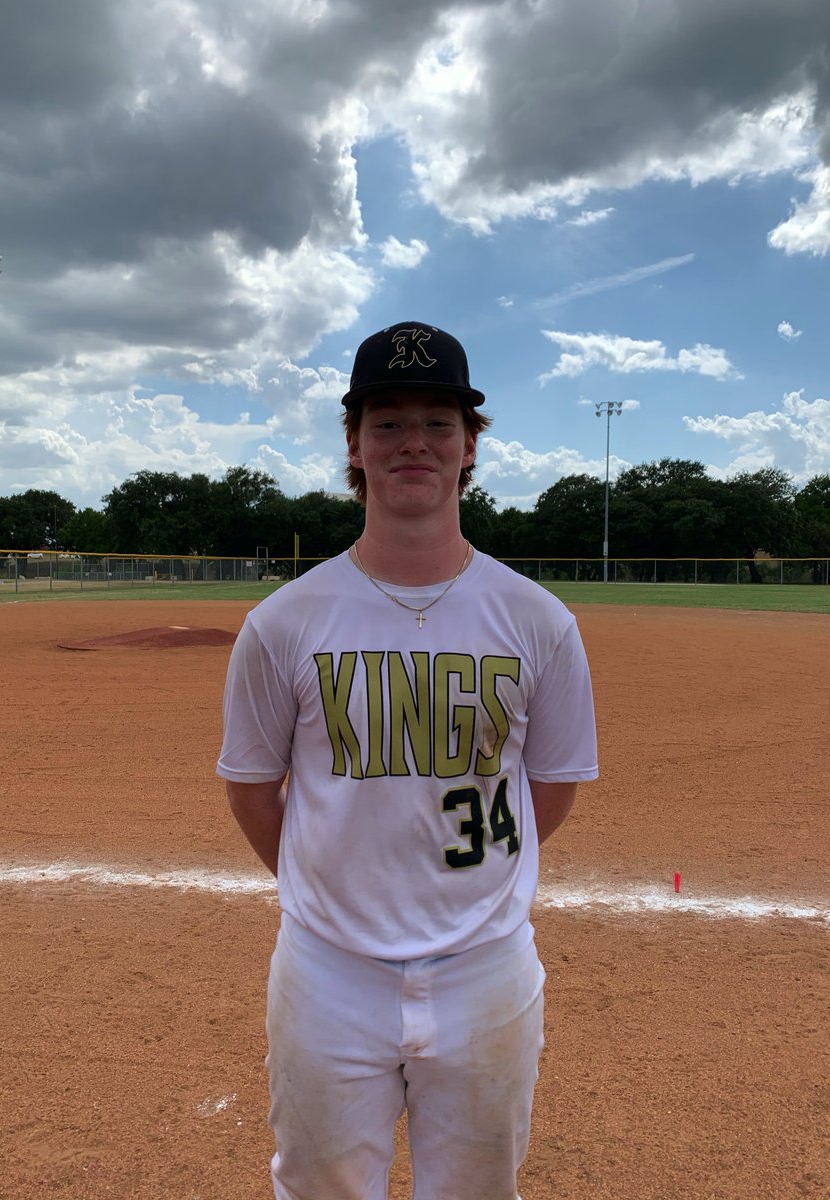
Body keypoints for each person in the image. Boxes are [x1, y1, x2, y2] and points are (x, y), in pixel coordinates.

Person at [217, 320, 598, 1200]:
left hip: (486, 967)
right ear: (354, 445)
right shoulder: (285, 621)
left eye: (438, 422)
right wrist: (336, 888)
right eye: (387, 422)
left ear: (470, 446)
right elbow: (252, 788)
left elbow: (549, 788)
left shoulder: (538, 621)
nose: (413, 442)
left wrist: (466, 888)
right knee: (320, 1189)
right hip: (327, 969)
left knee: (477, 1189)